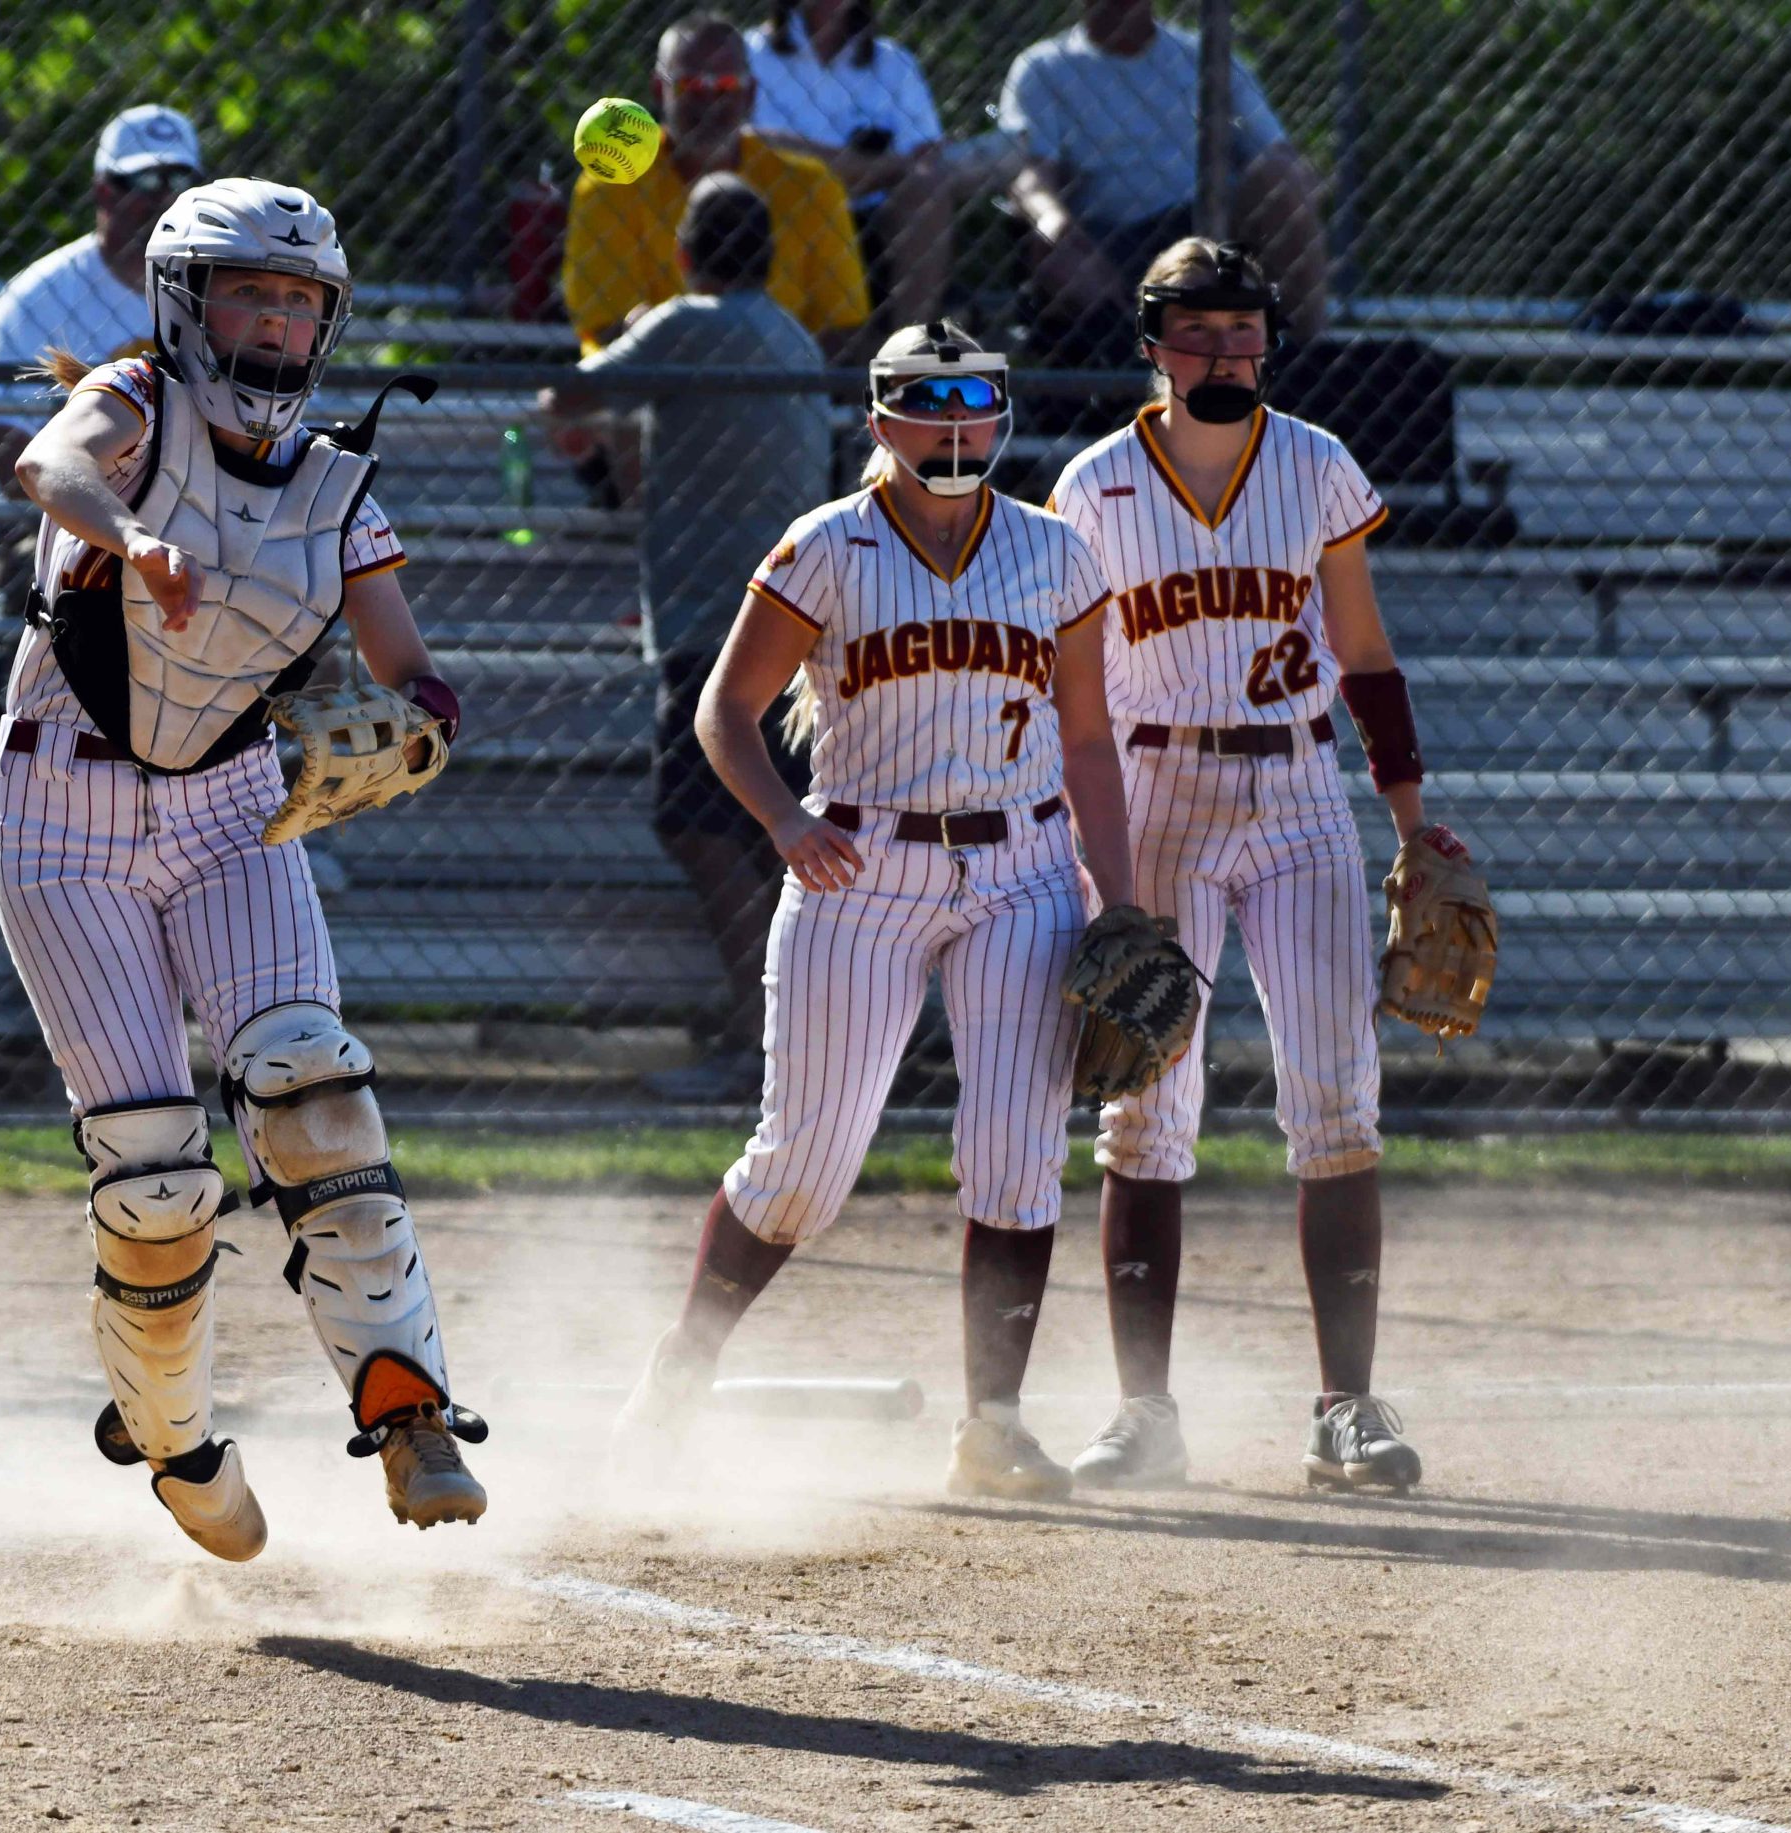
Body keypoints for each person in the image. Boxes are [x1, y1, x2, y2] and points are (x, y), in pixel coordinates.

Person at [0, 176, 486, 1560]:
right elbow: (54, 468)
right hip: (62, 808)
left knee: (307, 1075)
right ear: (186, 303)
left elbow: (403, 653)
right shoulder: (135, 405)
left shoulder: (336, 484)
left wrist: (428, 717)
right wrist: (136, 534)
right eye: (250, 294)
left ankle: (410, 1408)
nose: (275, 322)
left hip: (228, 806)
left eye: (299, 300)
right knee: (155, 1177)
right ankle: (172, 1440)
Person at [613, 320, 1140, 1500]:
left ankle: (992, 1427)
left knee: (1015, 1160)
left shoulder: (1055, 554)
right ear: (878, 420)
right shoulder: (830, 546)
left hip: (1023, 869)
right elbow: (723, 713)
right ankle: (679, 1372)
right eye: (926, 406)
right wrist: (786, 824)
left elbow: (1089, 737)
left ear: (1001, 417)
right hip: (863, 865)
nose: (955, 429)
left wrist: (1124, 892)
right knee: (804, 1164)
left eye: (975, 406)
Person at [1047, 238, 1468, 1493]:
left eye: (1242, 334)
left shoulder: (1316, 464)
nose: (1221, 355)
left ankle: (1344, 1406)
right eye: (1195, 333)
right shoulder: (1095, 485)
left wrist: (1408, 820)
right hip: (1155, 789)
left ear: (1269, 342)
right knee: (1145, 1106)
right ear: (1150, 343)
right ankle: (1143, 1412)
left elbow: (1365, 656)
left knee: (1337, 1094)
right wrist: (1094, 854)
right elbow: (1068, 683)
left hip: (1295, 792)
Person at [540, 176, 829, 1103]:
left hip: (717, 625)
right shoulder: (790, 331)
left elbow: (567, 400)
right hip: (787, 624)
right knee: (752, 834)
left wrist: (621, 327)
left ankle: (760, 1042)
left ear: (684, 253)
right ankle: (792, 1041)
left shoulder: (688, 321)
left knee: (698, 823)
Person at [0, 105, 205, 626]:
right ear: (104, 190)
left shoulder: (218, 294)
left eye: (181, 182)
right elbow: (5, 445)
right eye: (143, 180)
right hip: (57, 523)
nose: (163, 198)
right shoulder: (40, 297)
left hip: (203, 517)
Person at [1001, 1, 1328, 376]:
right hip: (1104, 236)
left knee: (1281, 179)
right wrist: (1058, 228)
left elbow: (1277, 154)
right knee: (1054, 249)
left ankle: (1308, 363)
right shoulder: (1044, 67)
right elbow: (1030, 175)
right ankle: (1119, 376)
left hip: (1207, 227)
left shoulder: (1203, 56)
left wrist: (1291, 191)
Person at [562, 15, 870, 363]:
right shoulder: (608, 185)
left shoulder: (812, 186)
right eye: (689, 85)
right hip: (648, 391)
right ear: (659, 89)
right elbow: (608, 328)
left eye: (724, 85)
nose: (708, 101)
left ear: (751, 93)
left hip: (776, 390)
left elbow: (844, 329)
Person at [745, 1, 954, 330]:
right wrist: (877, 166)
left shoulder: (894, 63)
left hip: (870, 220)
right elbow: (756, 145)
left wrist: (818, 160)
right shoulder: (749, 55)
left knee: (928, 186)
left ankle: (910, 349)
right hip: (778, 214)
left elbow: (926, 160)